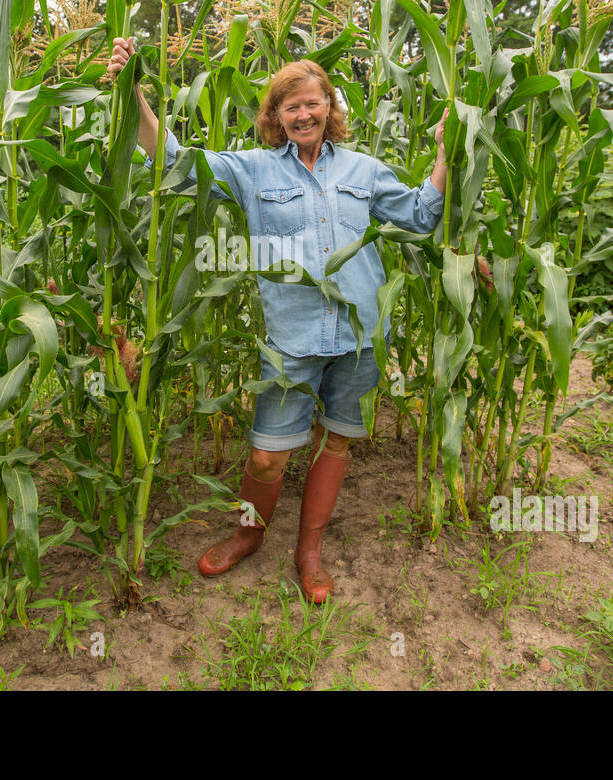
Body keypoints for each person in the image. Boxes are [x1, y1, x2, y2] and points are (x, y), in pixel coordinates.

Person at [106, 37, 447, 602]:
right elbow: (174, 162)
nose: (303, 114)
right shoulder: (254, 171)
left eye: (313, 103)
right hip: (293, 338)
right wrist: (132, 94)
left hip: (362, 336)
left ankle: (308, 551)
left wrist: (446, 151)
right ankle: (248, 533)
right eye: (290, 107)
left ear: (330, 108)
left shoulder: (364, 169)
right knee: (266, 458)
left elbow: (417, 216)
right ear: (275, 117)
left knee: (336, 443)